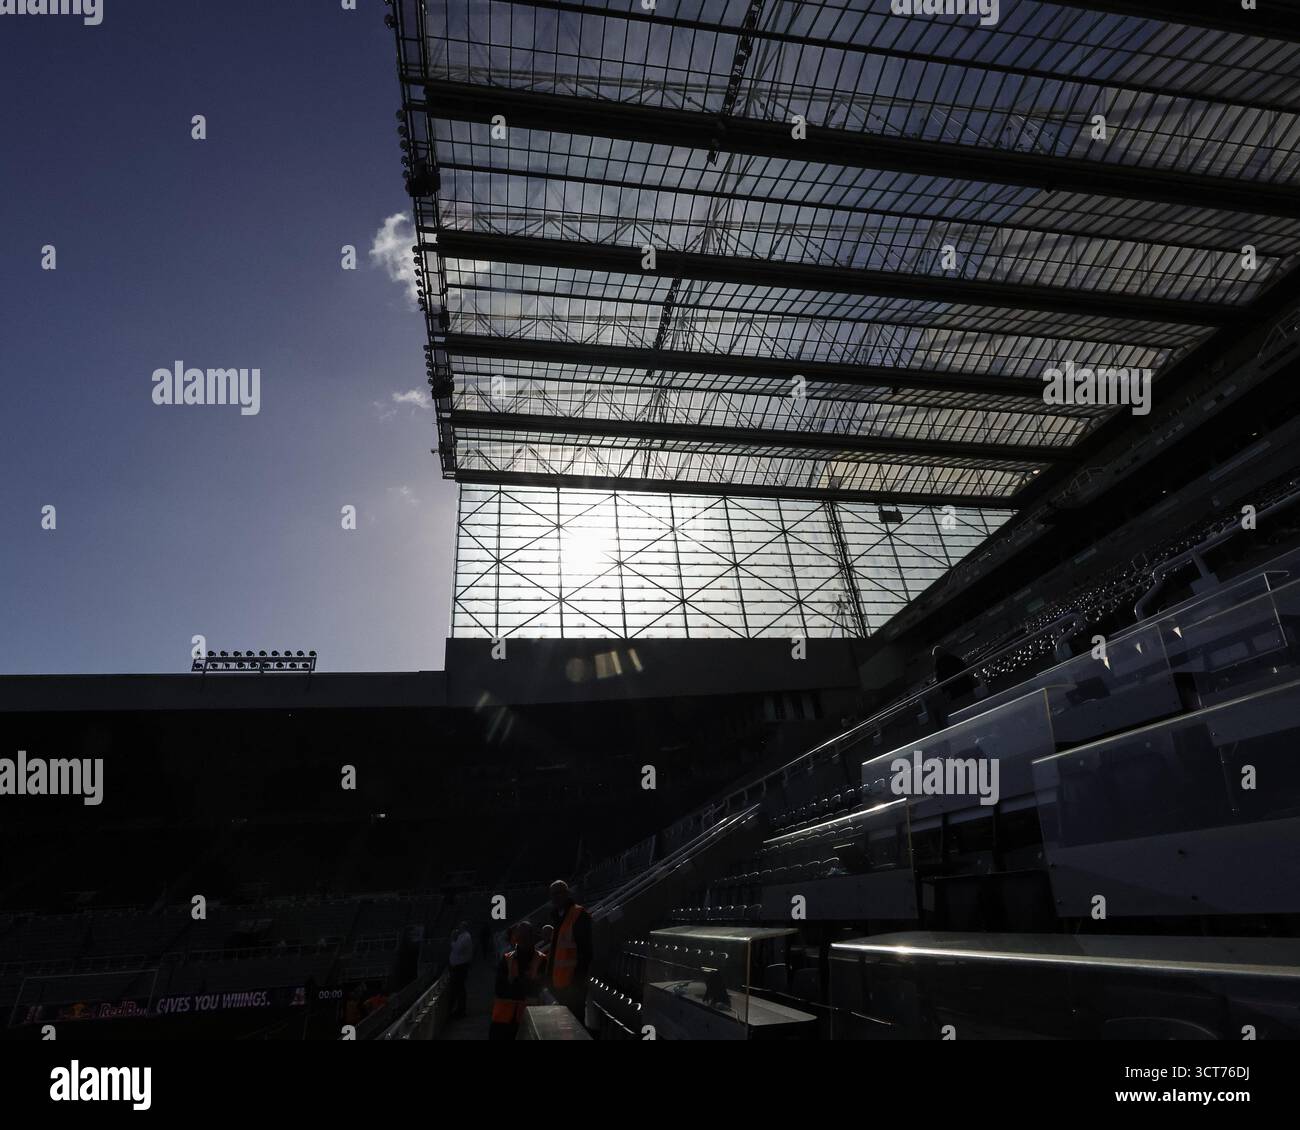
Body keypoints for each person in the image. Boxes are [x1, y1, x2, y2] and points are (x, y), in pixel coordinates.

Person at [546, 880, 592, 1025]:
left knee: (574, 1024)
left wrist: (576, 982)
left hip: (573, 986)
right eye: (553, 894)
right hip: (558, 984)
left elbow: (586, 952)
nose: (555, 897)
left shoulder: (578, 914)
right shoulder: (558, 917)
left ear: (567, 893)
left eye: (559, 893)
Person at [489, 920, 544, 1041]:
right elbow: (499, 989)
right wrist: (524, 985)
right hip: (502, 1022)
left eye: (525, 936)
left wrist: (514, 984)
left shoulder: (541, 960)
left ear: (532, 937)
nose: (522, 939)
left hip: (529, 1021)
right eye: (520, 936)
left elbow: (541, 990)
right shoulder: (507, 959)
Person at [448, 921, 474, 1019]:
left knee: (459, 989)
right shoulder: (462, 936)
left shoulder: (465, 937)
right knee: (458, 989)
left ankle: (461, 1011)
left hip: (460, 967)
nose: (458, 928)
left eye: (460, 927)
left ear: (463, 927)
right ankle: (459, 1009)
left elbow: (457, 948)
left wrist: (452, 939)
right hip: (458, 966)